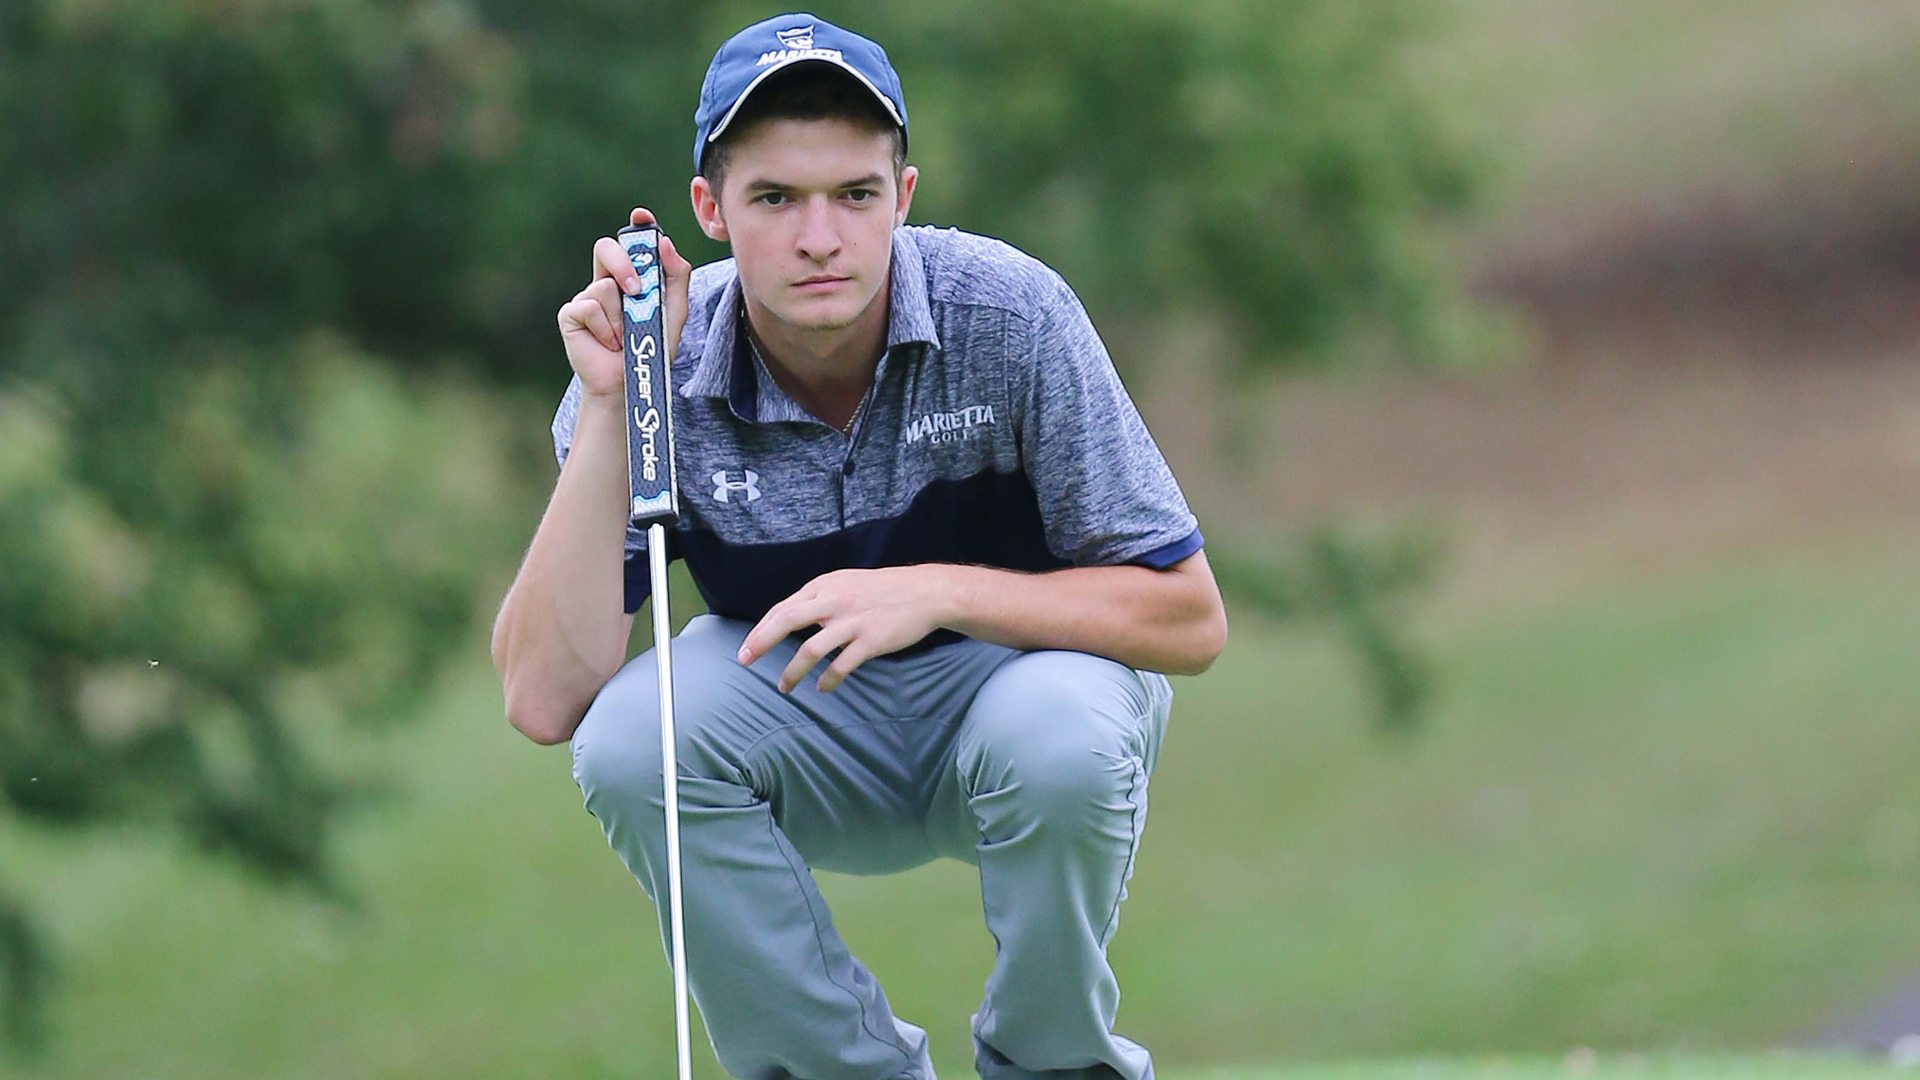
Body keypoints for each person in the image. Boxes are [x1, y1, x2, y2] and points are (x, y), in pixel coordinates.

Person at [489, 13, 1227, 1080]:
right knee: (626, 742)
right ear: (711, 210)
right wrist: (611, 410)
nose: (820, 238)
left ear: (905, 197)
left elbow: (1188, 618)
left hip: (1013, 707)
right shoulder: (653, 367)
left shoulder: (1009, 315)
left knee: (1061, 733)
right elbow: (543, 701)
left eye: (855, 195)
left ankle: (1057, 1065)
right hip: (800, 722)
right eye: (775, 199)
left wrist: (937, 591)